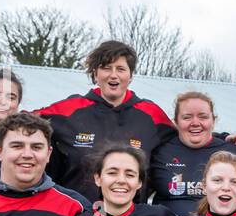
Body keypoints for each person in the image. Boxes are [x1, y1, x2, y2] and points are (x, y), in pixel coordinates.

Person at [34, 40, 176, 202]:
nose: (113, 75)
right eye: (106, 68)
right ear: (95, 74)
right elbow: (21, 123)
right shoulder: (69, 110)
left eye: (121, 69)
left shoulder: (151, 114)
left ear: (130, 76)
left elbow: (184, 140)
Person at [148, 91, 236, 216]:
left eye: (203, 117)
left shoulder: (233, 152)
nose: (195, 123)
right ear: (175, 122)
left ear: (213, 121)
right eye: (187, 117)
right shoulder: (159, 150)